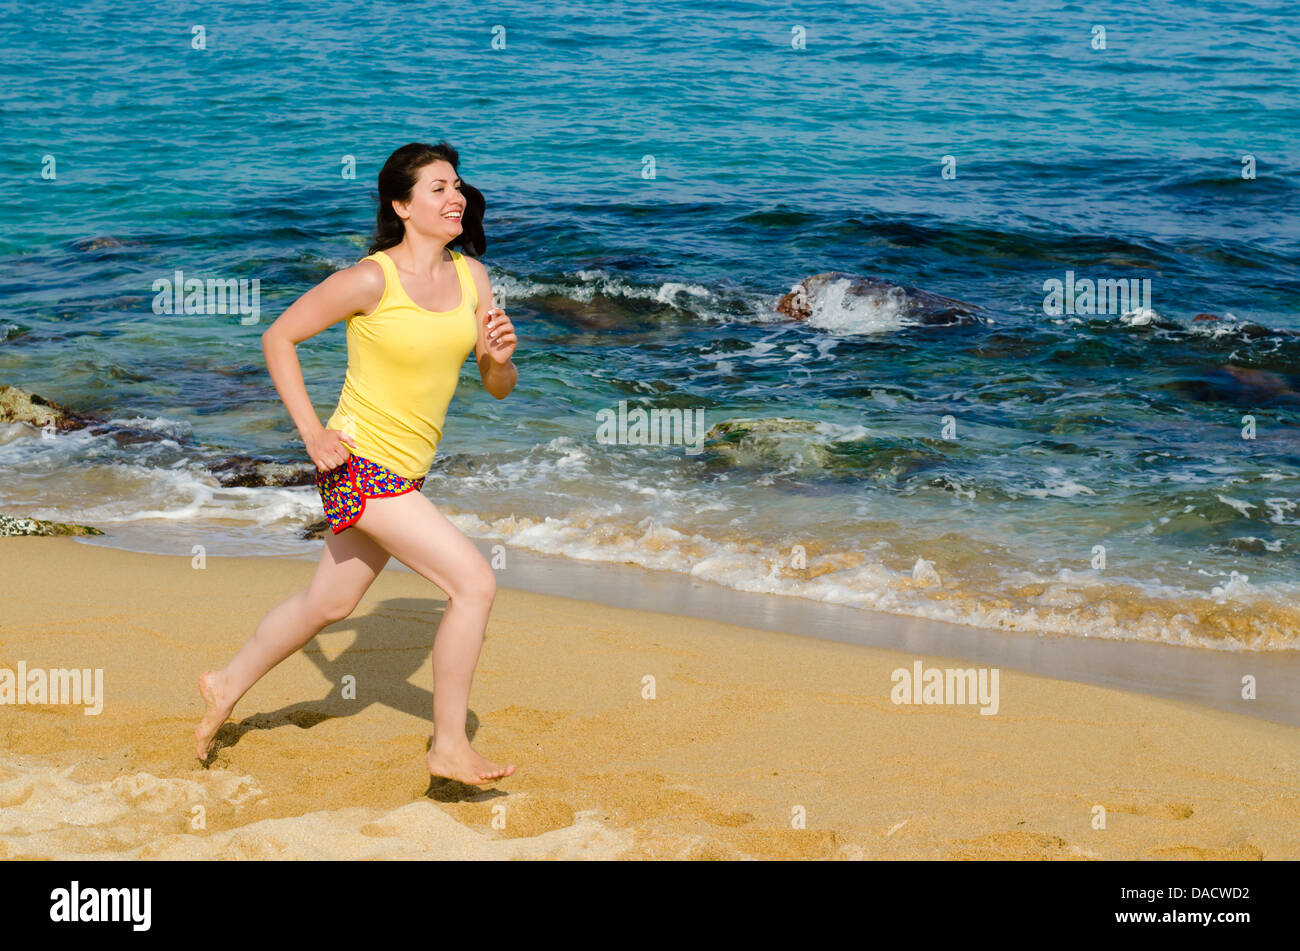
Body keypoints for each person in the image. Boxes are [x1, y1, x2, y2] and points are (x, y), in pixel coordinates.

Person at [195, 142, 519, 785]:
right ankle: (448, 745)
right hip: (358, 465)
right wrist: (312, 432)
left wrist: (502, 358)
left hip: (407, 471)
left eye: (457, 185)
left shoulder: (473, 279)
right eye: (436, 188)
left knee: (331, 603)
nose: (455, 197)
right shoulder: (372, 278)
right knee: (474, 583)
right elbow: (278, 336)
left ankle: (224, 681)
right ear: (402, 206)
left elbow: (496, 386)